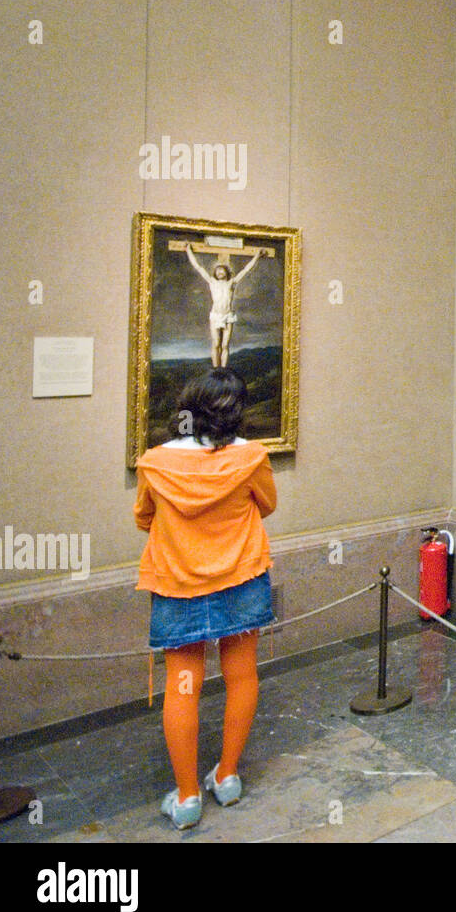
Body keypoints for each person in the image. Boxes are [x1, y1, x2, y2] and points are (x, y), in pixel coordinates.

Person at [134, 367, 276, 830]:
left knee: (182, 684)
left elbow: (144, 518)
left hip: (178, 582)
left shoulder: (154, 462)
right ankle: (228, 777)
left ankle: (188, 798)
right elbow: (267, 504)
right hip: (242, 575)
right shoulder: (252, 457)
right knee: (242, 675)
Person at [185, 244, 262, 367]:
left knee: (225, 345)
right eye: (217, 270)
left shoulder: (232, 282)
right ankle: (216, 370)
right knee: (216, 344)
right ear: (215, 273)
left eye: (222, 270)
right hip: (216, 316)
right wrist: (188, 250)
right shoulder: (212, 281)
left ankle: (224, 370)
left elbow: (246, 270)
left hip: (228, 316)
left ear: (227, 272)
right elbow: (198, 267)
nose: (220, 272)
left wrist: (257, 255)